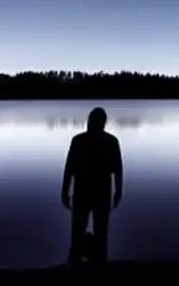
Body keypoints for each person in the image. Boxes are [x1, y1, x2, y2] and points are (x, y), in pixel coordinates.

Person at [61, 106, 123, 264]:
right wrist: (118, 192)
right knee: (91, 229)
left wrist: (65, 191)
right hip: (94, 191)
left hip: (89, 191)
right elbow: (118, 170)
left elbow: (69, 169)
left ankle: (84, 261)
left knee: (85, 229)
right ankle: (92, 261)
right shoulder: (109, 142)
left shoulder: (81, 141)